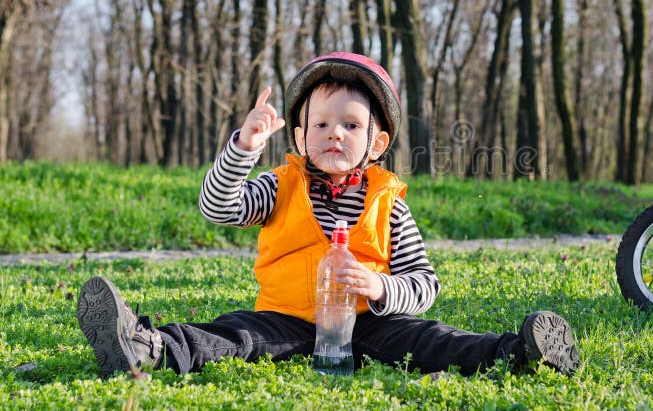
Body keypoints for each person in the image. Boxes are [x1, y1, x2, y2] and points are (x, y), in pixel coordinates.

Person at [77, 52, 581, 378]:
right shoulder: (280, 186)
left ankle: (517, 354)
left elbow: (424, 283)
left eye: (351, 125)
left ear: (376, 143)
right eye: (320, 125)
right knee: (234, 334)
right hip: (287, 319)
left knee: (433, 339)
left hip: (371, 326)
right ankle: (147, 347)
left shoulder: (389, 204)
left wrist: (378, 286)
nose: (334, 133)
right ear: (300, 137)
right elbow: (218, 206)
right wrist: (243, 148)